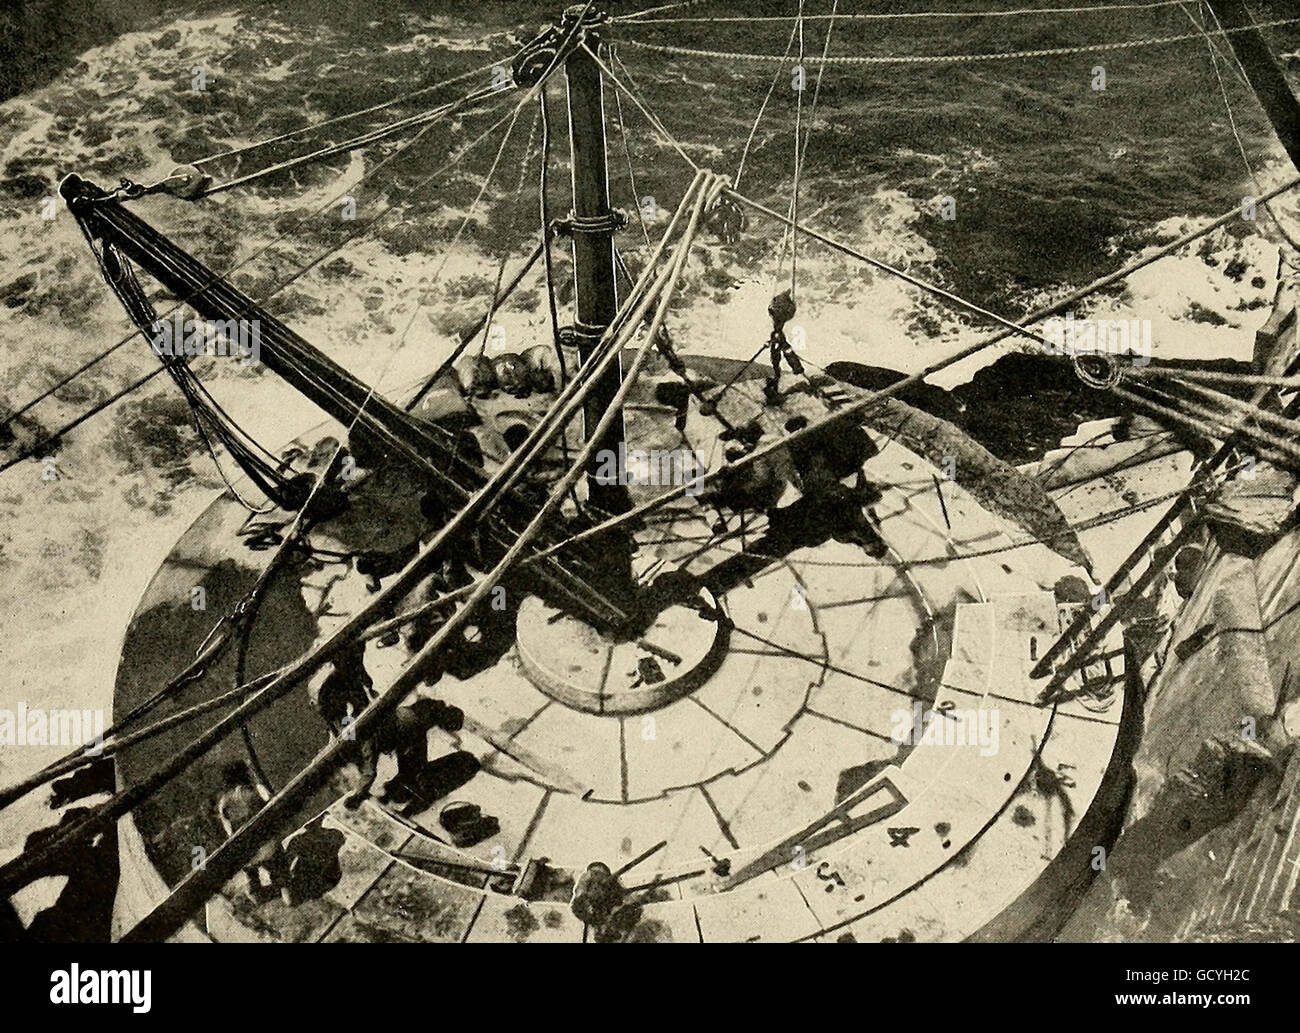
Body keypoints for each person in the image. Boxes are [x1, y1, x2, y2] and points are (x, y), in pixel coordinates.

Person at [215, 760, 289, 905]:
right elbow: (274, 805)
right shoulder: (255, 790)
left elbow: (230, 832)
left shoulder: (224, 802)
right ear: (245, 774)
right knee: (286, 889)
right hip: (268, 846)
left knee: (255, 894)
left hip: (247, 854)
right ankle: (284, 886)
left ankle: (280, 887)